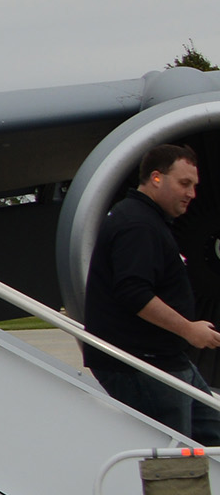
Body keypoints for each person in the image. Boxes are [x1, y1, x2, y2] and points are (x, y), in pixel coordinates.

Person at [81, 144, 220, 442]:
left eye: (195, 186)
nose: (192, 194)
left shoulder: (147, 220)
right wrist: (189, 330)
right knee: (177, 459)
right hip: (143, 365)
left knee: (213, 437)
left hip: (166, 360)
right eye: (185, 183)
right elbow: (133, 293)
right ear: (156, 178)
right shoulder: (137, 225)